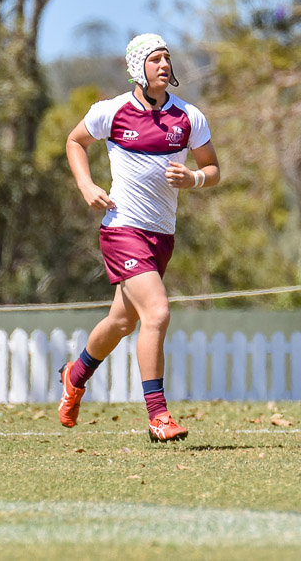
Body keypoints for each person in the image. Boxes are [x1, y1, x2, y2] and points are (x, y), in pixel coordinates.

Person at [57, 33, 220, 443]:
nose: (164, 65)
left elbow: (213, 169)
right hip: (121, 228)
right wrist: (86, 185)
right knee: (158, 314)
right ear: (137, 68)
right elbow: (74, 142)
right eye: (155, 59)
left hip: (161, 235)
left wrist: (194, 178)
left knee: (122, 320)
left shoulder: (189, 117)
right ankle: (158, 415)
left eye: (167, 58)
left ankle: (74, 376)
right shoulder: (111, 112)